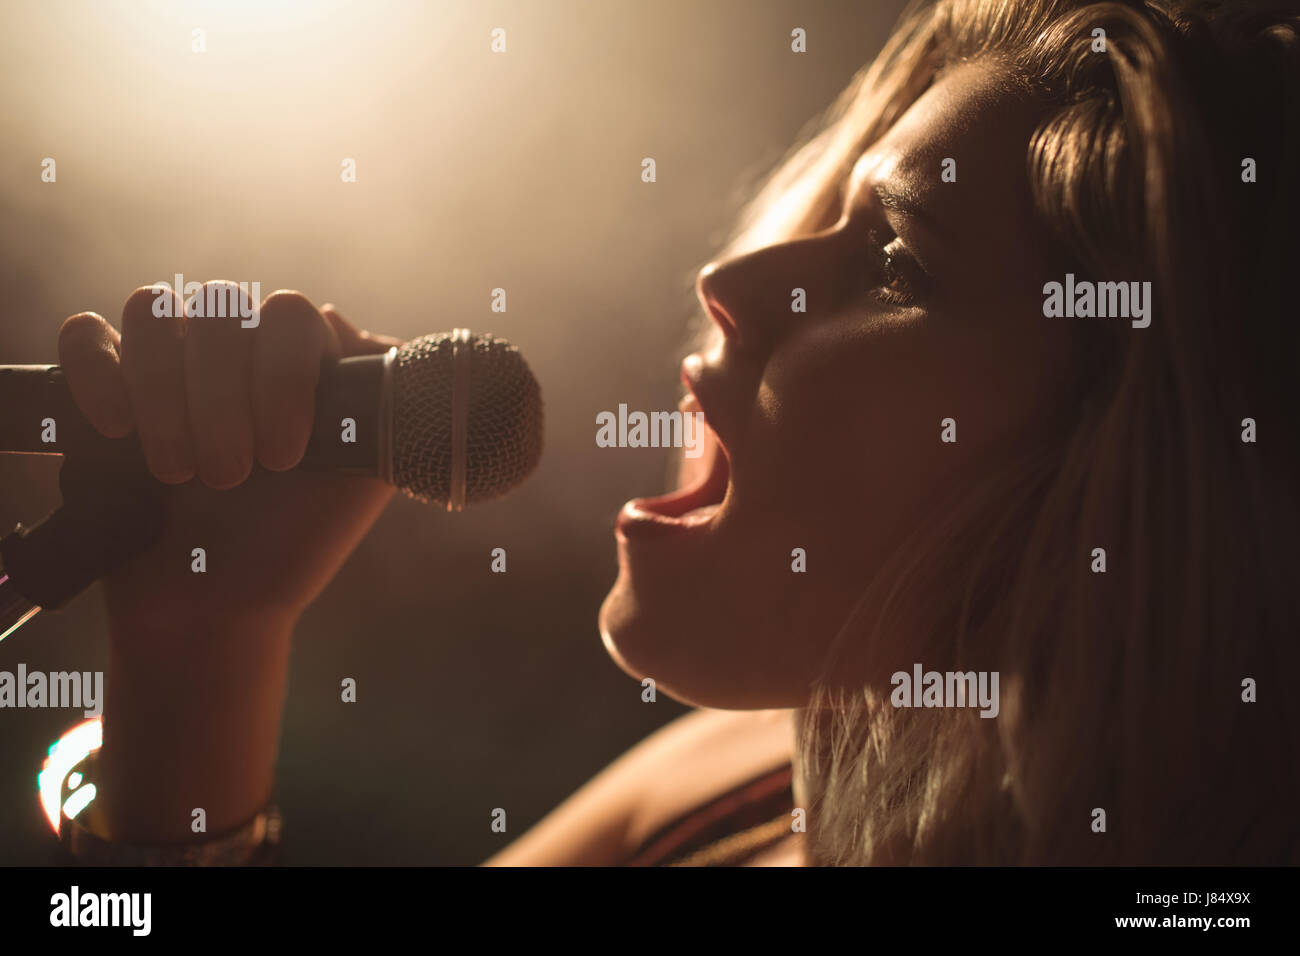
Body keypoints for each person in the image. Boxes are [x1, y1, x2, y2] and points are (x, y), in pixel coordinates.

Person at [49, 0, 1300, 865]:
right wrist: (199, 639)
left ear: (1130, 474)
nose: (732, 277)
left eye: (899, 259)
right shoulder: (733, 793)